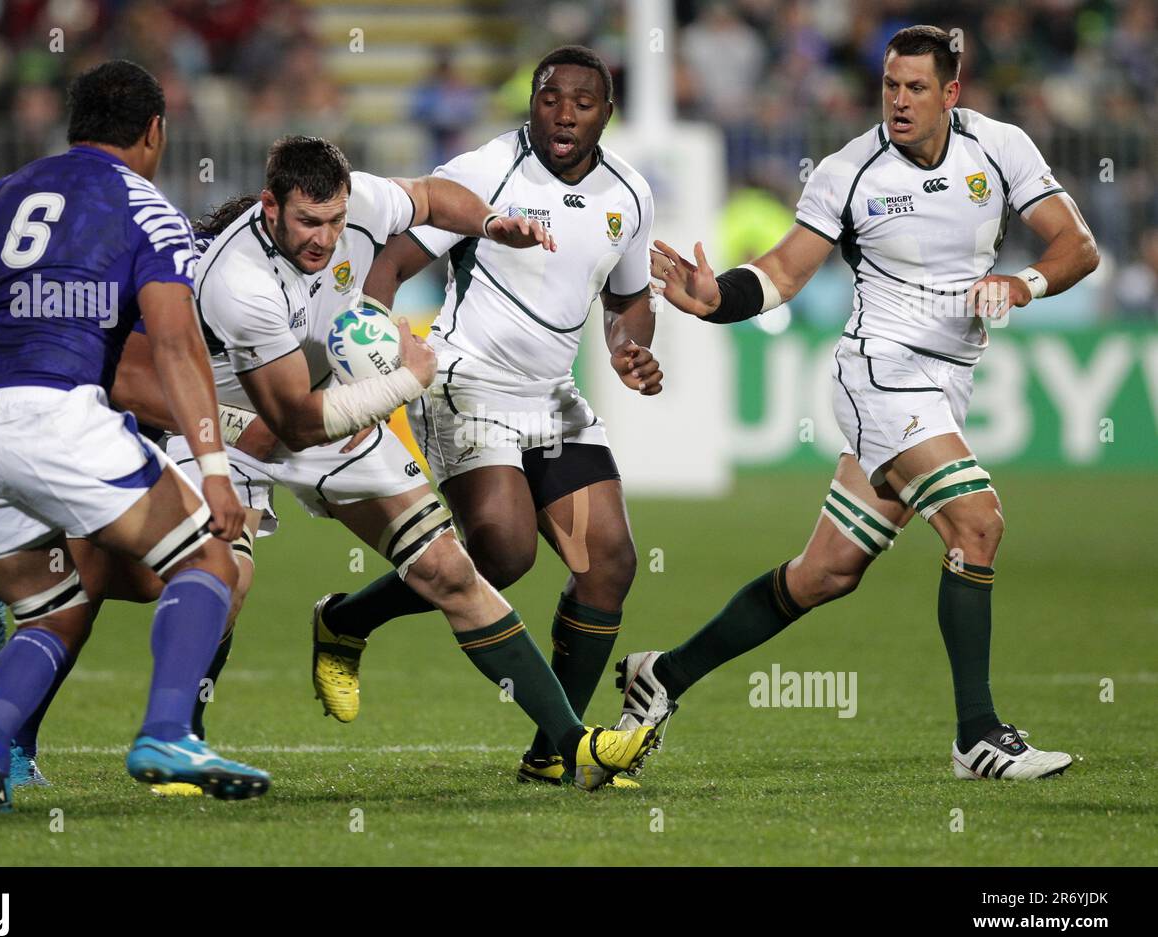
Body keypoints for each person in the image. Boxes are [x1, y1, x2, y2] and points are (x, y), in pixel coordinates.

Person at [619, 25, 1099, 781]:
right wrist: (714, 300)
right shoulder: (850, 169)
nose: (899, 101)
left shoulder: (1000, 147)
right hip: (879, 372)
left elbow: (1078, 246)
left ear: (951, 93)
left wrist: (1023, 282)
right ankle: (977, 735)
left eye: (915, 88)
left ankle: (664, 675)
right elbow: (784, 268)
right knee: (977, 522)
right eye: (889, 85)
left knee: (827, 573)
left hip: (948, 380)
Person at [170, 134, 657, 791]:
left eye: (335, 220)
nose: (324, 238)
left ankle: (573, 748)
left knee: (452, 570)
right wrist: (406, 380)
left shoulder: (362, 204)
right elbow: (287, 422)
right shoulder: (239, 279)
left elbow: (429, 197)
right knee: (223, 582)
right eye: (308, 222)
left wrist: (489, 222)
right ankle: (181, 740)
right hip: (233, 428)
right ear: (270, 208)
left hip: (329, 408)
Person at [0, 60, 270, 811]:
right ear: (156, 131)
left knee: (53, 610)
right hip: (55, 415)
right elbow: (178, 346)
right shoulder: (146, 206)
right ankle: (167, 732)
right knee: (212, 563)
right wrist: (214, 469)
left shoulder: (2, 192)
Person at [361, 45, 663, 787]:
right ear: (532, 101)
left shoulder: (630, 193)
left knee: (609, 564)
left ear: (606, 113)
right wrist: (375, 331)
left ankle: (551, 753)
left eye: (582, 102)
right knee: (503, 551)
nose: (564, 113)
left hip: (552, 395)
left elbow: (626, 300)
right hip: (467, 383)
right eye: (550, 97)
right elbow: (393, 262)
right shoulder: (482, 171)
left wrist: (628, 349)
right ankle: (348, 620)